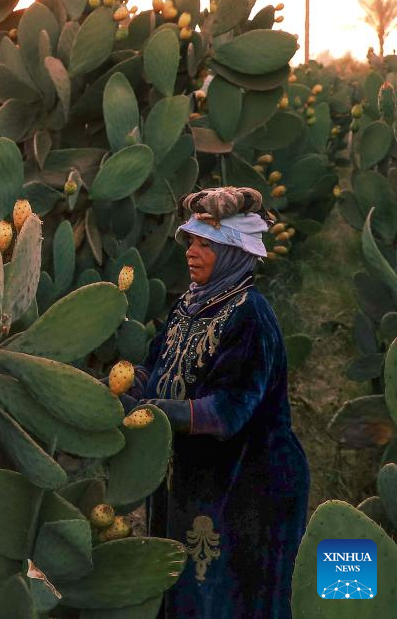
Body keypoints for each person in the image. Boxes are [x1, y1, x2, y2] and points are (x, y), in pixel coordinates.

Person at [119, 187, 311, 619]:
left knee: (226, 600)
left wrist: (153, 411)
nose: (192, 252)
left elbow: (229, 411)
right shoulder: (189, 306)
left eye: (207, 244)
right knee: (182, 590)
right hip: (190, 474)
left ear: (233, 252)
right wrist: (122, 390)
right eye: (191, 241)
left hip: (247, 484)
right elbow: (157, 365)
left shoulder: (251, 316)